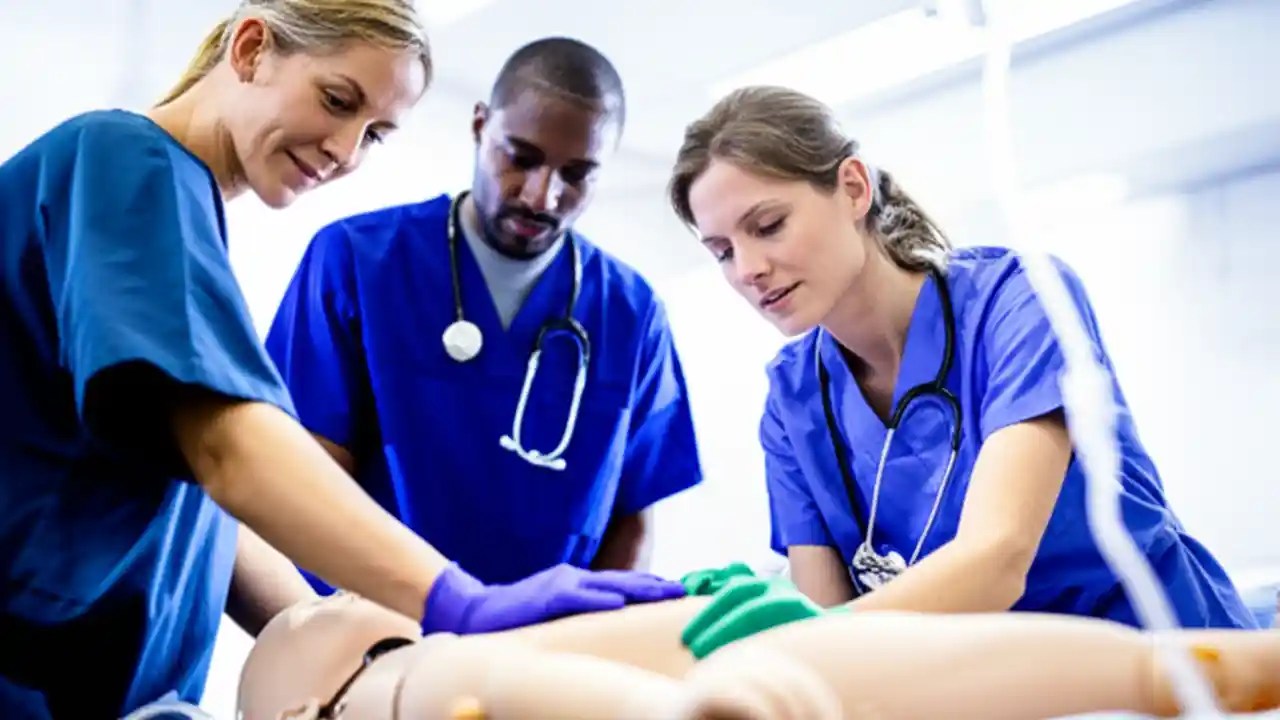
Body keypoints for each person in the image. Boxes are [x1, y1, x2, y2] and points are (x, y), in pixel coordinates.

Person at [0, 5, 681, 717]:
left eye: (375, 134)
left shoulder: (182, 212)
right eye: (337, 101)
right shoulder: (121, 162)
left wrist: (369, 655)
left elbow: (208, 514)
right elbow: (230, 453)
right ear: (253, 46)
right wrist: (462, 603)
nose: (346, 152)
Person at [664, 85, 1256, 629]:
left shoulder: (1018, 301)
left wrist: (800, 640)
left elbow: (996, 559)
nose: (747, 269)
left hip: (1168, 662)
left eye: (768, 226)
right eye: (721, 252)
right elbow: (829, 622)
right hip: (1000, 690)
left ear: (852, 189)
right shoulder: (794, 400)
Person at [265, 36, 703, 587]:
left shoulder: (631, 313)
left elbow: (631, 516)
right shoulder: (357, 261)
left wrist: (598, 641)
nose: (543, 196)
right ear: (479, 127)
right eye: (521, 159)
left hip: (546, 652)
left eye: (578, 174)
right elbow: (307, 475)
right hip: (374, 631)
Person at [231, 566, 1280, 719]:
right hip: (394, 699)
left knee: (760, 659)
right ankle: (1143, 669)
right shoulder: (364, 677)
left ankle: (1156, 671)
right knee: (464, 674)